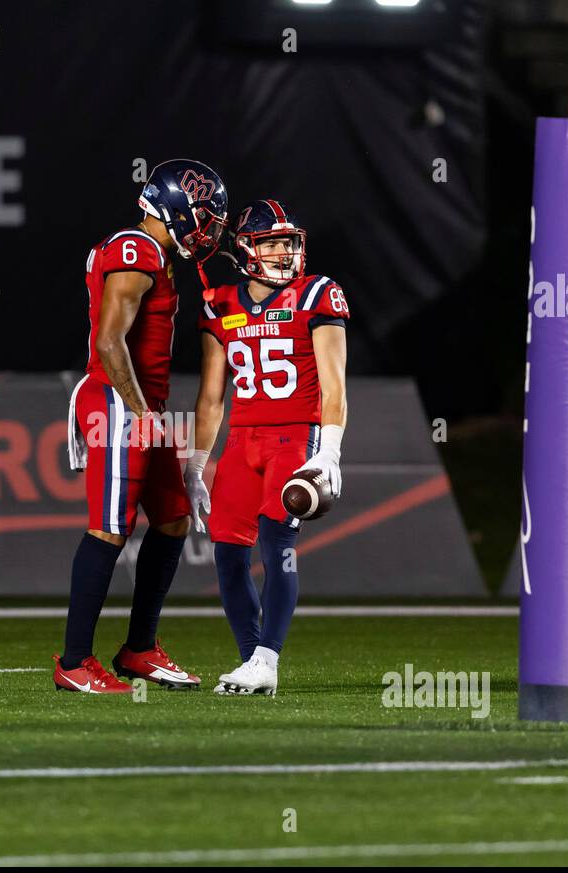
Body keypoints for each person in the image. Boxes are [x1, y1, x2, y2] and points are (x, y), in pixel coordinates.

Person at [57, 159, 228, 693]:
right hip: (116, 397)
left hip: (141, 401)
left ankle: (139, 648)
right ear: (174, 207)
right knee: (110, 526)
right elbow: (110, 342)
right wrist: (137, 409)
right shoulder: (136, 249)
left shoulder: (159, 253)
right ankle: (74, 661)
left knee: (174, 520)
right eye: (202, 216)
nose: (207, 228)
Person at [186, 199, 349, 696]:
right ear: (246, 249)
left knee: (278, 546)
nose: (283, 251)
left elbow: (333, 383)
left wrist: (331, 450)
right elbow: (212, 395)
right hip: (241, 441)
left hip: (293, 436)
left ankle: (268, 658)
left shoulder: (317, 294)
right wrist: (196, 465)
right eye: (271, 242)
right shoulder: (220, 302)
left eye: (288, 242)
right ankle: (252, 661)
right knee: (228, 555)